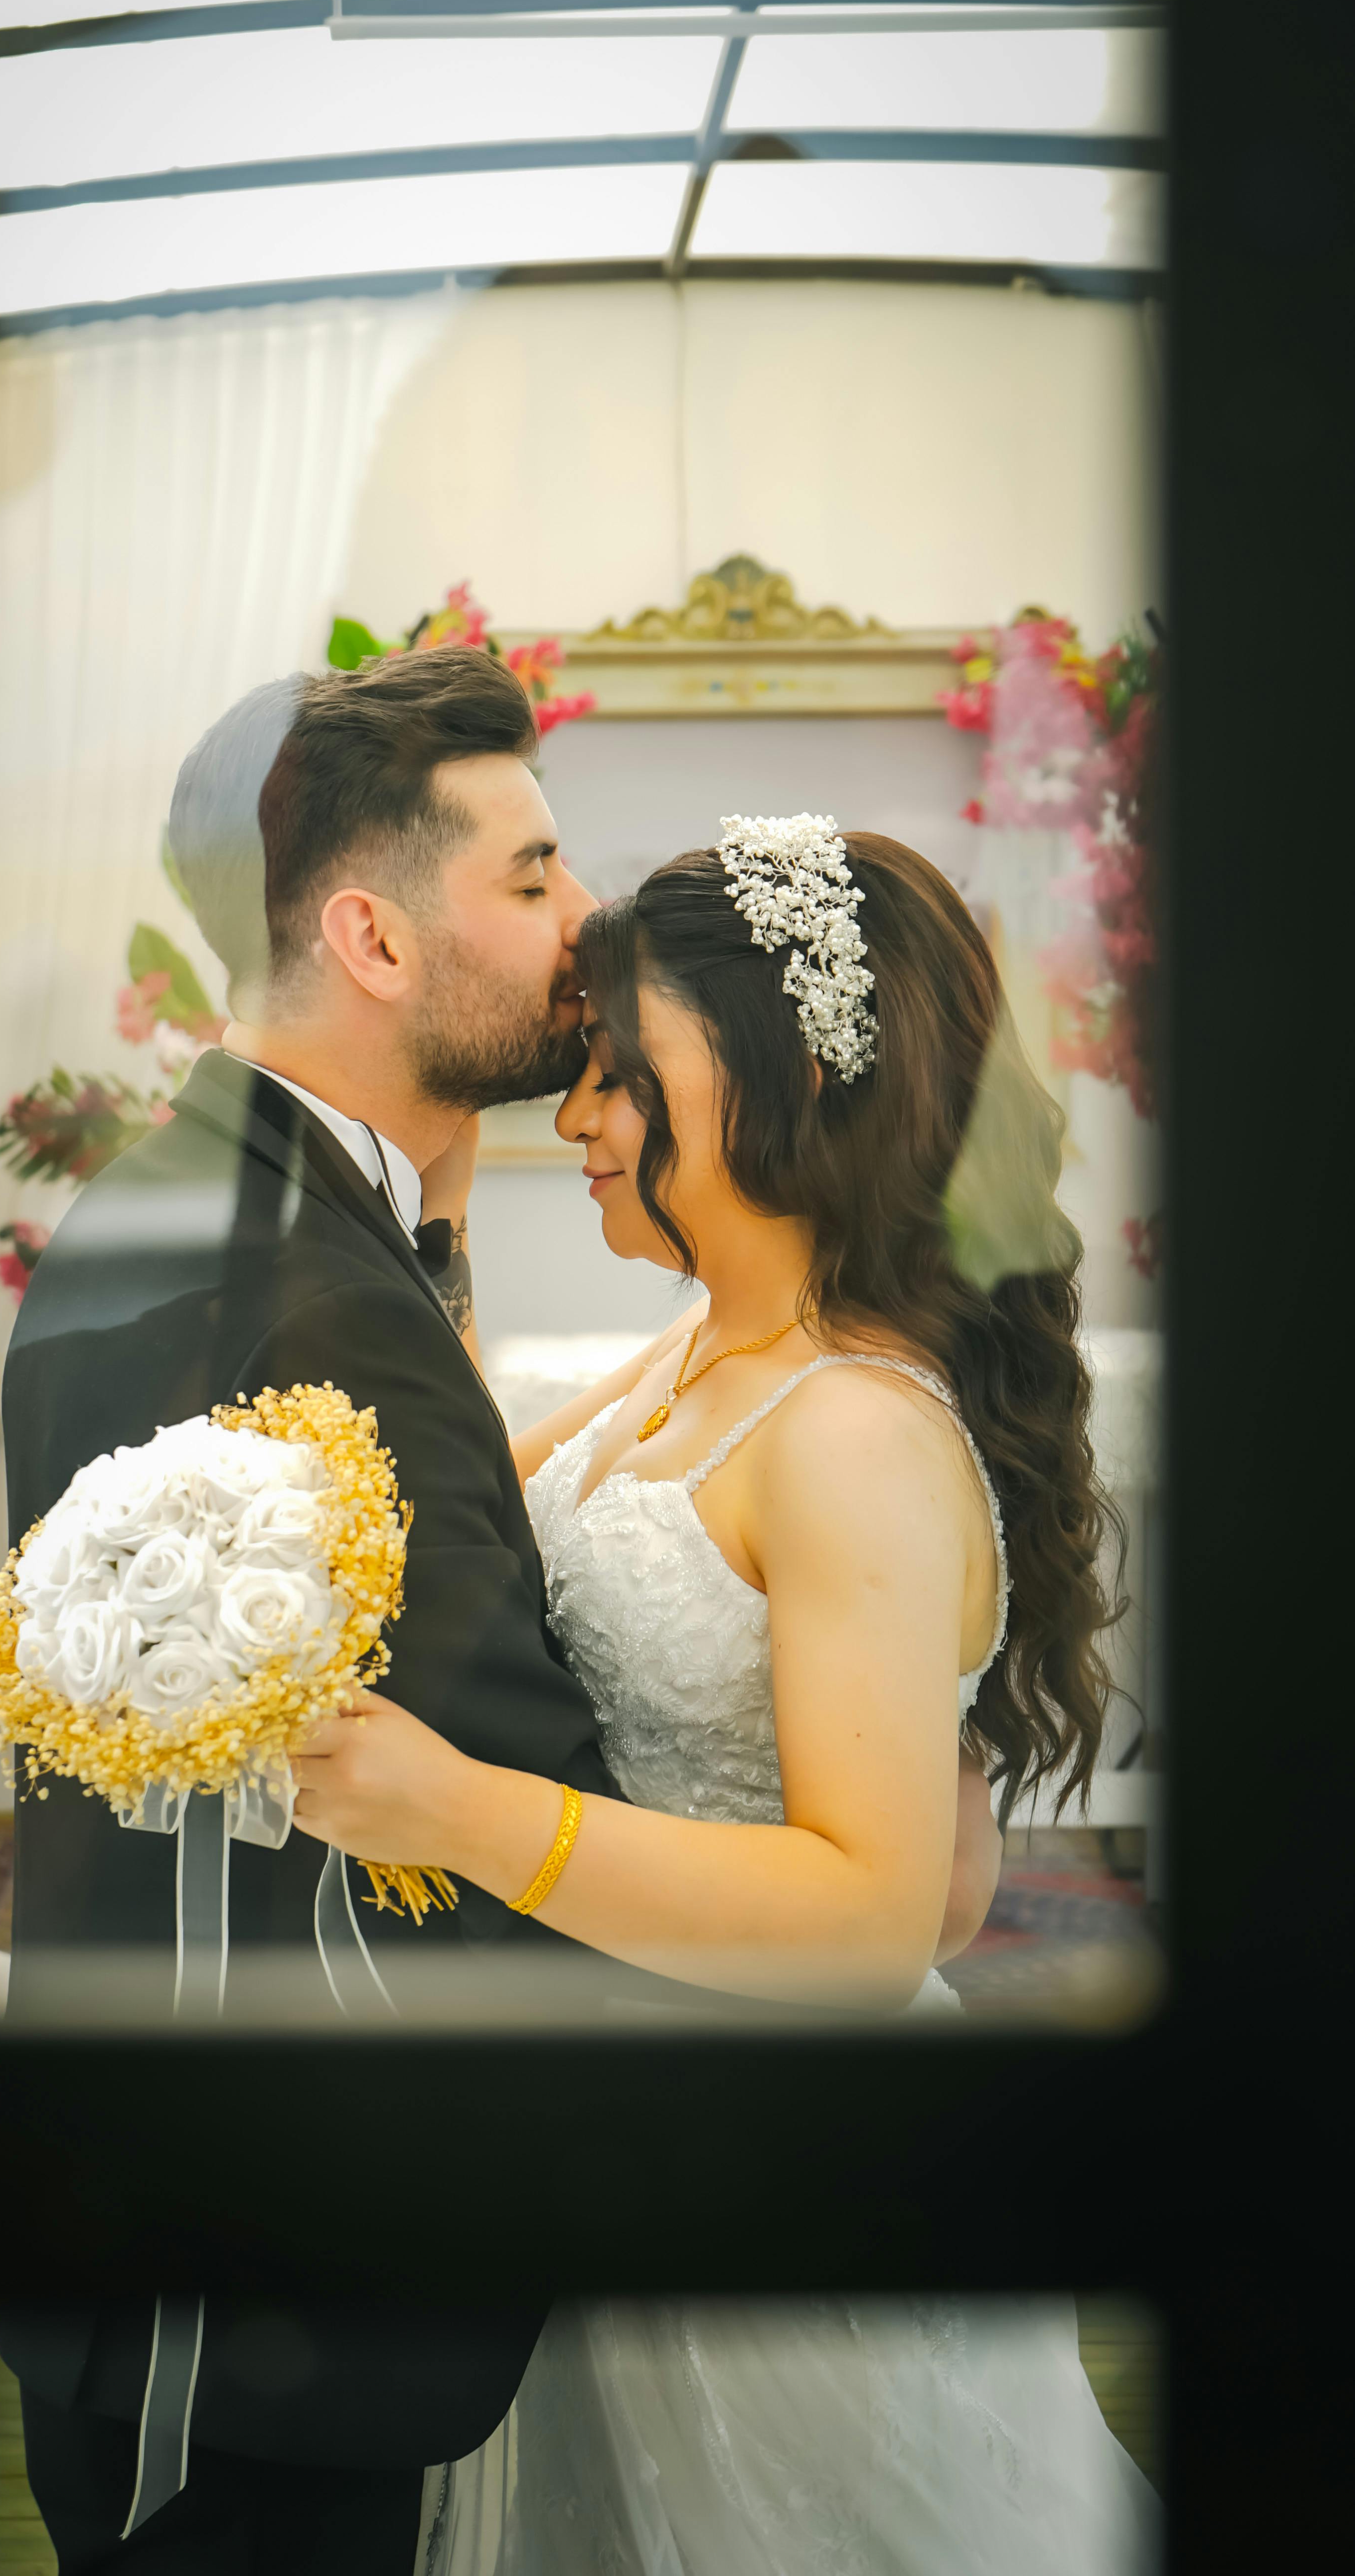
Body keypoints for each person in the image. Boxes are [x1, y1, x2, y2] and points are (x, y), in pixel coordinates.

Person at [0, 675, 1002, 2574]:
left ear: (781, 1089)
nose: (574, 939)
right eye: (534, 877)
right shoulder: (408, 1309)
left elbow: (500, 1628)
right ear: (372, 938)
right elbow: (494, 1544)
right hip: (280, 2284)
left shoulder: (266, 1232)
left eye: (631, 1064)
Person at [292, 817, 1160, 2572]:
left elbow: (876, 1921)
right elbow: (479, 1504)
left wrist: (457, 1813)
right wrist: (433, 1222)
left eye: (622, 1077)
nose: (577, 1120)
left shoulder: (848, 1432)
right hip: (639, 2110)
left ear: (794, 1080)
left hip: (789, 2167)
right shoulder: (711, 1346)